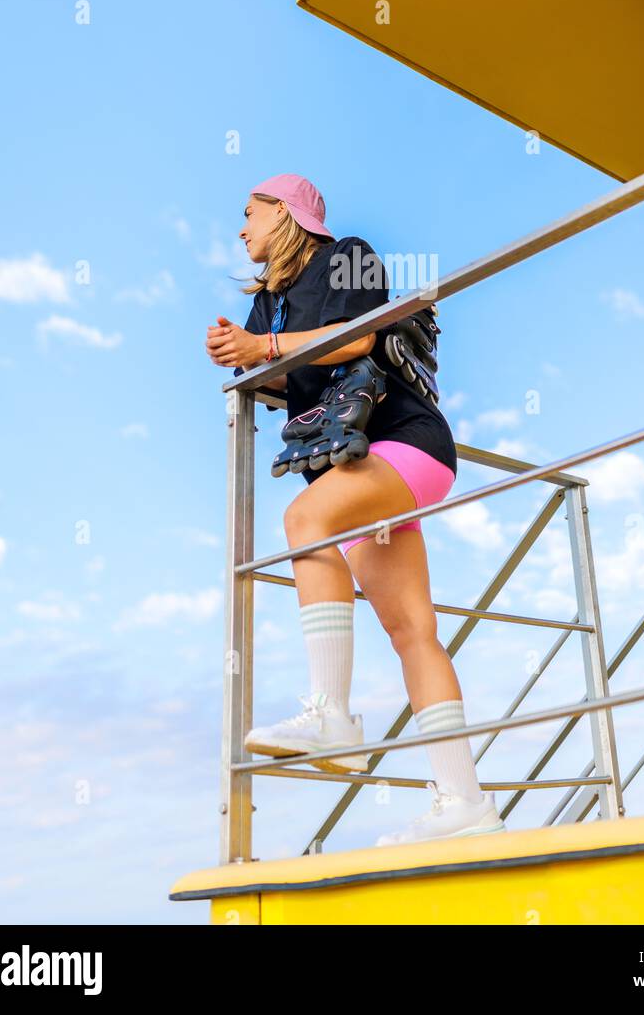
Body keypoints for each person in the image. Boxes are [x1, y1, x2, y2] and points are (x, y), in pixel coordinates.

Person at [205, 172, 504, 846]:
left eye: (248, 214)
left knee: (304, 520)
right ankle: (464, 802)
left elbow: (355, 340)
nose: (240, 229)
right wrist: (242, 354)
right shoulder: (271, 302)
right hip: (360, 465)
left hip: (405, 444)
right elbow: (281, 375)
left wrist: (265, 350)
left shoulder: (349, 254)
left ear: (284, 212)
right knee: (411, 632)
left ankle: (331, 716)